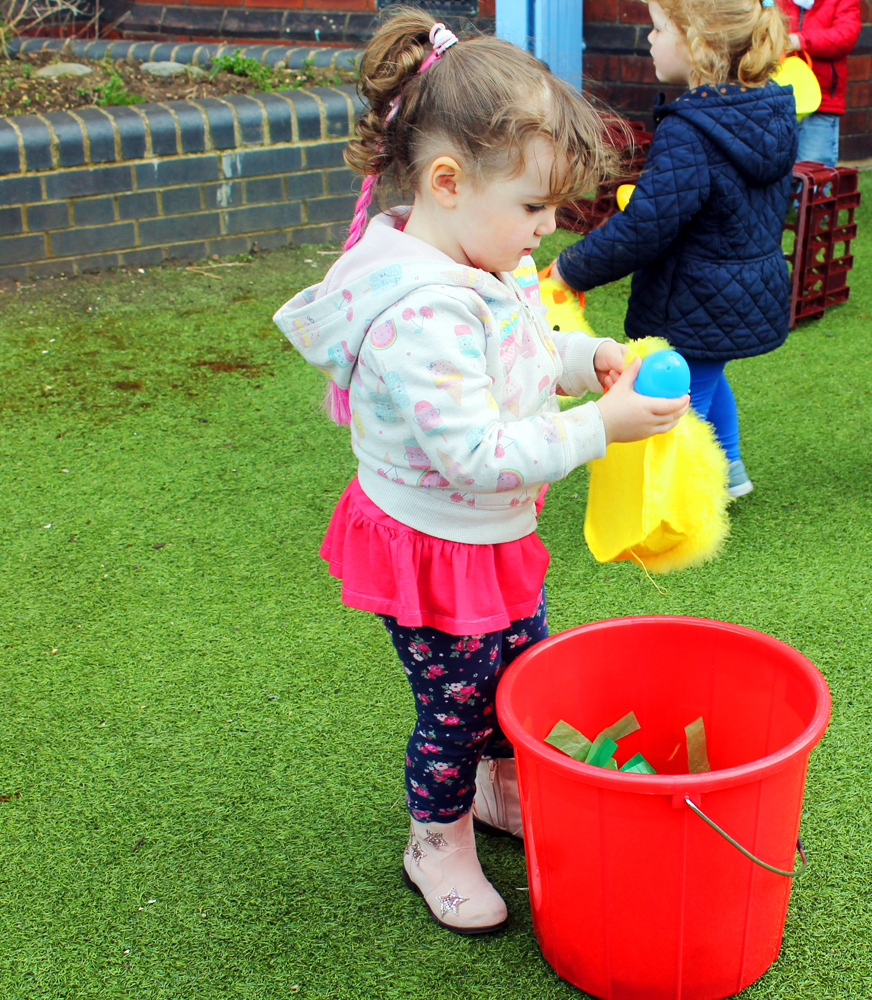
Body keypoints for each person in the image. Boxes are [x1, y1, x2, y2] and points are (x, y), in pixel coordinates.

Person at [273, 9, 688, 935]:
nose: (545, 231)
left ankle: (498, 794)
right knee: (454, 713)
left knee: (517, 676)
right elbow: (476, 456)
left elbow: (526, 340)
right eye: (535, 208)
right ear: (449, 182)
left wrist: (586, 363)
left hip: (489, 539)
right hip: (438, 546)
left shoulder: (478, 257)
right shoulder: (421, 312)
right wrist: (601, 426)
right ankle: (436, 836)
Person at [550, 0, 796, 498]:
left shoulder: (690, 131)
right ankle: (729, 471)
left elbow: (645, 225)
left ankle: (678, 501)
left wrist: (571, 268)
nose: (648, 37)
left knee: (680, 401)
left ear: (699, 44)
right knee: (707, 374)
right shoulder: (768, 108)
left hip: (697, 295)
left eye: (659, 27)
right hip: (746, 286)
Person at [778, 0, 861, 167]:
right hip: (777, 102)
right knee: (774, 172)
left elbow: (845, 36)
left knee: (814, 174)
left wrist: (800, 40)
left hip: (821, 103)